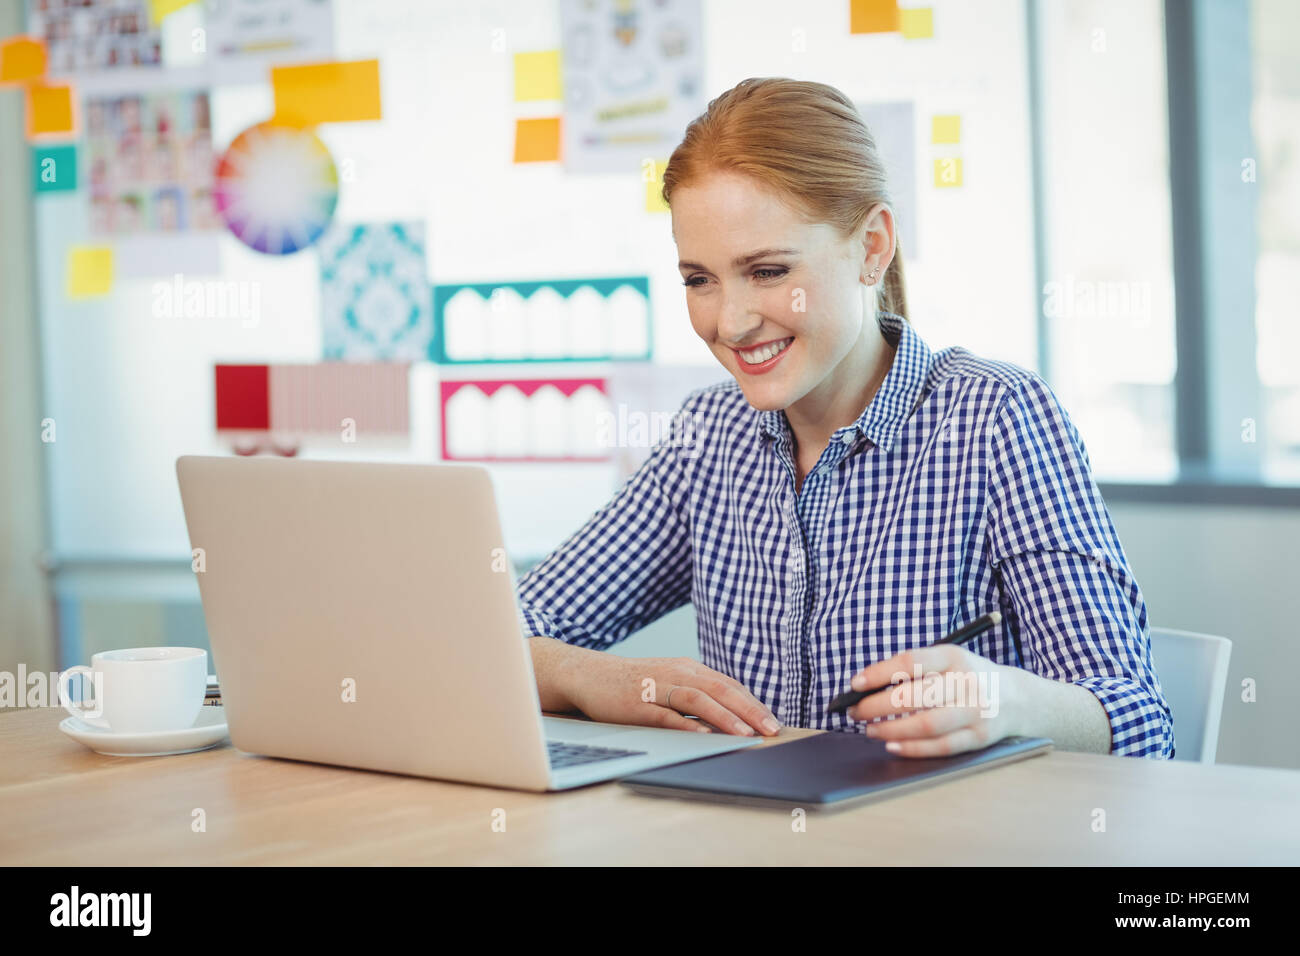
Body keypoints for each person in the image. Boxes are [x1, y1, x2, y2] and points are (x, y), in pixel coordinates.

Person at [517, 78, 1174, 759]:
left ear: (872, 247)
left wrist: (1007, 700)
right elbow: (492, 633)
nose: (730, 322)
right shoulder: (706, 437)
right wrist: (595, 677)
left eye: (768, 271)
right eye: (699, 279)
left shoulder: (996, 420)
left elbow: (1142, 723)